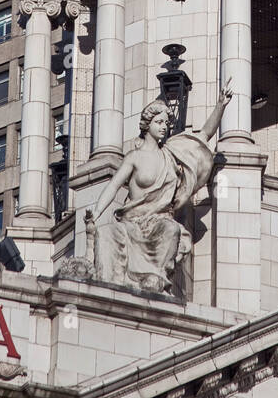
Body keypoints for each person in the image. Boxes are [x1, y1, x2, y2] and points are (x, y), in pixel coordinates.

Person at [89, 80, 233, 293]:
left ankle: (156, 279)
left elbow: (204, 136)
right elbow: (113, 186)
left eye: (166, 123)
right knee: (107, 233)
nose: (164, 127)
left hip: (159, 221)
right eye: (159, 122)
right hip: (132, 222)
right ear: (147, 125)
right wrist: (96, 212)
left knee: (171, 229)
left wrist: (220, 105)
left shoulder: (171, 154)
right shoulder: (134, 157)